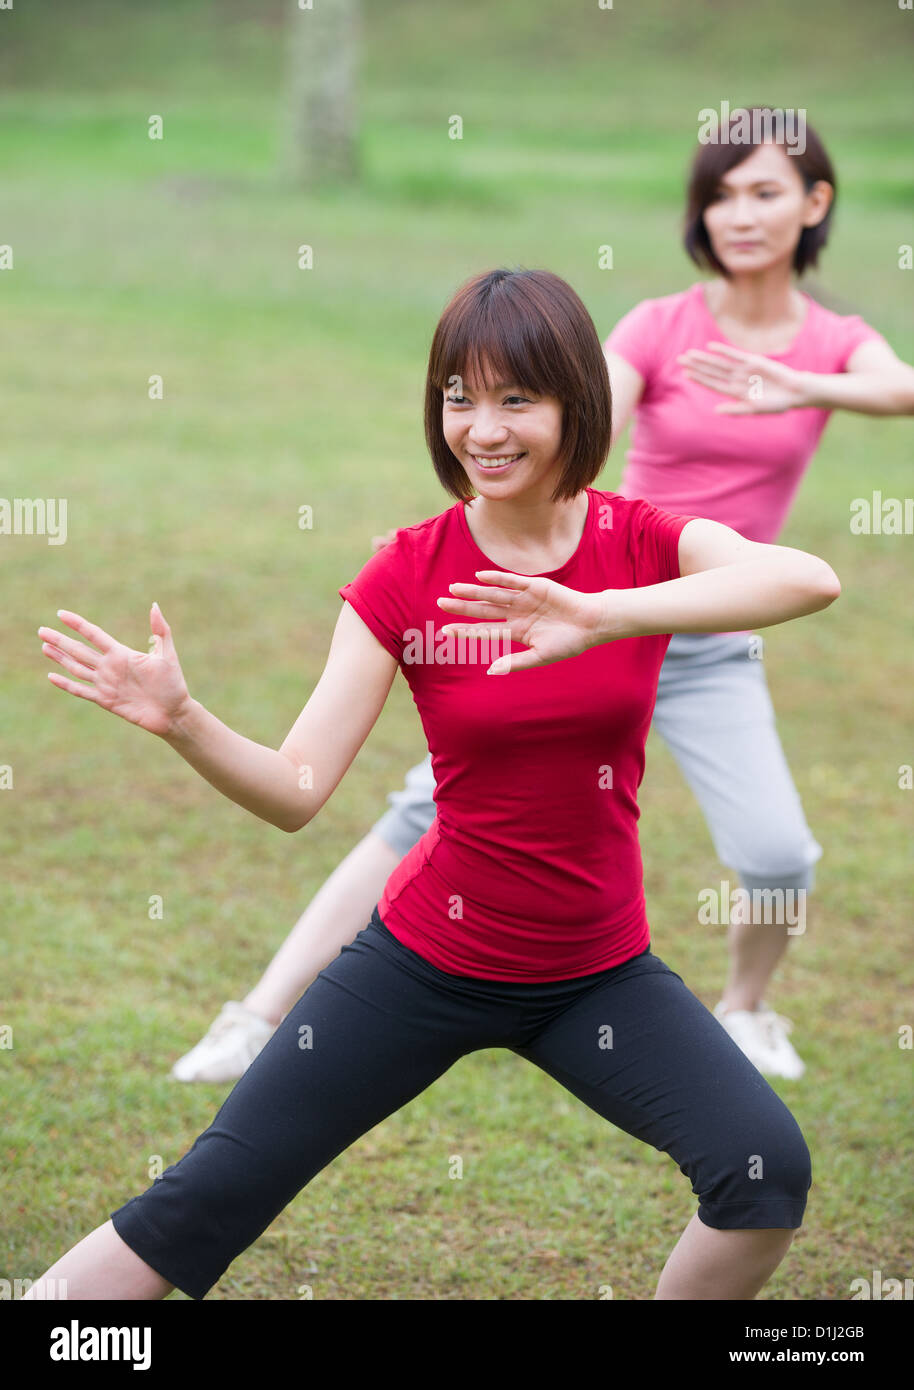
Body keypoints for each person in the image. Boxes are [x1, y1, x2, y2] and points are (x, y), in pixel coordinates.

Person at [29, 266, 838, 1300]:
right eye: (459, 396)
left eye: (514, 398)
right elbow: (295, 790)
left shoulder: (638, 543)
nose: (481, 428)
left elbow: (807, 579)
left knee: (762, 1172)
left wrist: (600, 612)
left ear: (573, 405)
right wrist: (183, 720)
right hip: (426, 961)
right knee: (205, 1198)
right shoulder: (403, 575)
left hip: (596, 973)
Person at [172, 108, 914, 1086]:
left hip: (690, 617)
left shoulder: (832, 341)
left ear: (814, 204)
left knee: (779, 856)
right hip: (559, 599)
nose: (737, 213)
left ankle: (745, 1007)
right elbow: (573, 398)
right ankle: (260, 1010)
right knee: (422, 812)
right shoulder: (660, 326)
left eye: (763, 190)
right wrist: (511, 416)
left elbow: (890, 406)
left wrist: (798, 386)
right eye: (719, 192)